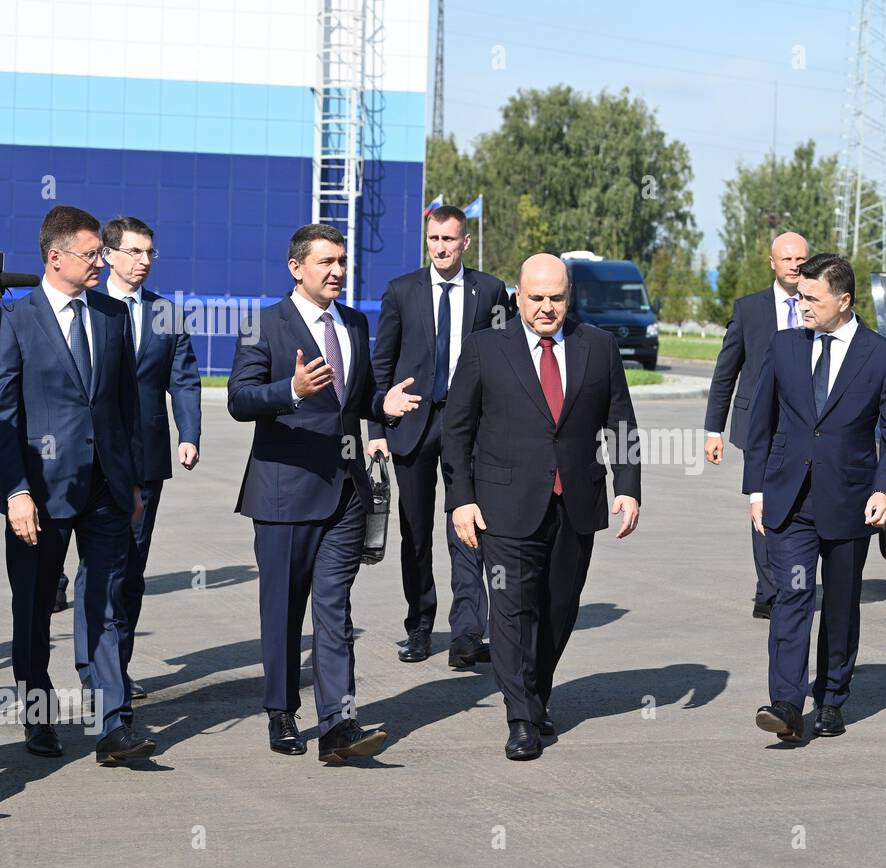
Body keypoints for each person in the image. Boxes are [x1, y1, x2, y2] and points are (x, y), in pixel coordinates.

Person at [228, 223, 422, 762]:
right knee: (284, 610)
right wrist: (290, 390)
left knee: (334, 609)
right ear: (296, 268)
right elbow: (240, 399)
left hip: (345, 494)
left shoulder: (354, 323)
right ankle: (281, 711)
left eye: (342, 261)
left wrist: (383, 407)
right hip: (284, 494)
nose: (337, 271)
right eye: (326, 262)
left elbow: (356, 400)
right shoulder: (264, 324)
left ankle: (338, 723)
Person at [443, 253, 641, 761]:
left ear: (569, 297)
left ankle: (536, 694)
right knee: (511, 610)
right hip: (503, 505)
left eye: (556, 297)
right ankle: (521, 718)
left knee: (558, 608)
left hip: (575, 503)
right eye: (536, 298)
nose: (546, 307)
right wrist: (461, 500)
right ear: (518, 296)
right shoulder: (485, 348)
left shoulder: (598, 346)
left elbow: (620, 421)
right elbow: (457, 431)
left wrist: (628, 485)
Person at [0, 205, 155, 763]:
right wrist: (15, 491)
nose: (100, 263)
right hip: (39, 494)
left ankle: (113, 725)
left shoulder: (113, 316)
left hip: (107, 489)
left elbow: (125, 406)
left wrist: (132, 481)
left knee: (105, 602)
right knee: (35, 607)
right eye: (90, 255)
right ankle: (38, 715)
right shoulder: (16, 320)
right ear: (55, 257)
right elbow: (3, 414)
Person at [744, 253, 886, 741]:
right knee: (793, 595)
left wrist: (885, 489)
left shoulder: (882, 356)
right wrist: (756, 490)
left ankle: (832, 698)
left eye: (812, 299)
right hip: (790, 500)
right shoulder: (785, 346)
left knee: (839, 604)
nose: (802, 306)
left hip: (850, 502)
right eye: (799, 297)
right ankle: (785, 704)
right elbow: (761, 423)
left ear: (844, 300)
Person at [368, 205, 512, 666]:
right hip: (411, 424)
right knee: (414, 532)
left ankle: (467, 633)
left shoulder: (490, 291)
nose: (441, 247)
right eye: (434, 239)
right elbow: (381, 365)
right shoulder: (401, 291)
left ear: (465, 242)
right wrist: (376, 428)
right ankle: (420, 626)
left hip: (469, 426)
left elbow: (506, 359)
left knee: (467, 525)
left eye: (449, 239)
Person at [73, 215, 200, 701]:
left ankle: (117, 670)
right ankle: (93, 670)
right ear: (107, 255)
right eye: (134, 251)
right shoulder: (86, 307)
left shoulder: (166, 312)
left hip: (145, 459)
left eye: (150, 252)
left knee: (130, 566)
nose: (144, 260)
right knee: (97, 565)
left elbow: (183, 379)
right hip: (91, 457)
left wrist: (189, 433)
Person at [704, 231, 809, 619]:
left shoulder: (819, 306)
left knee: (800, 504)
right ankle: (769, 592)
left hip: (805, 426)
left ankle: (793, 581)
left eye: (800, 259)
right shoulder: (749, 310)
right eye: (787, 259)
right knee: (762, 502)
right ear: (772, 263)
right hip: (759, 425)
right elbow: (726, 371)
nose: (794, 266)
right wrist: (713, 429)